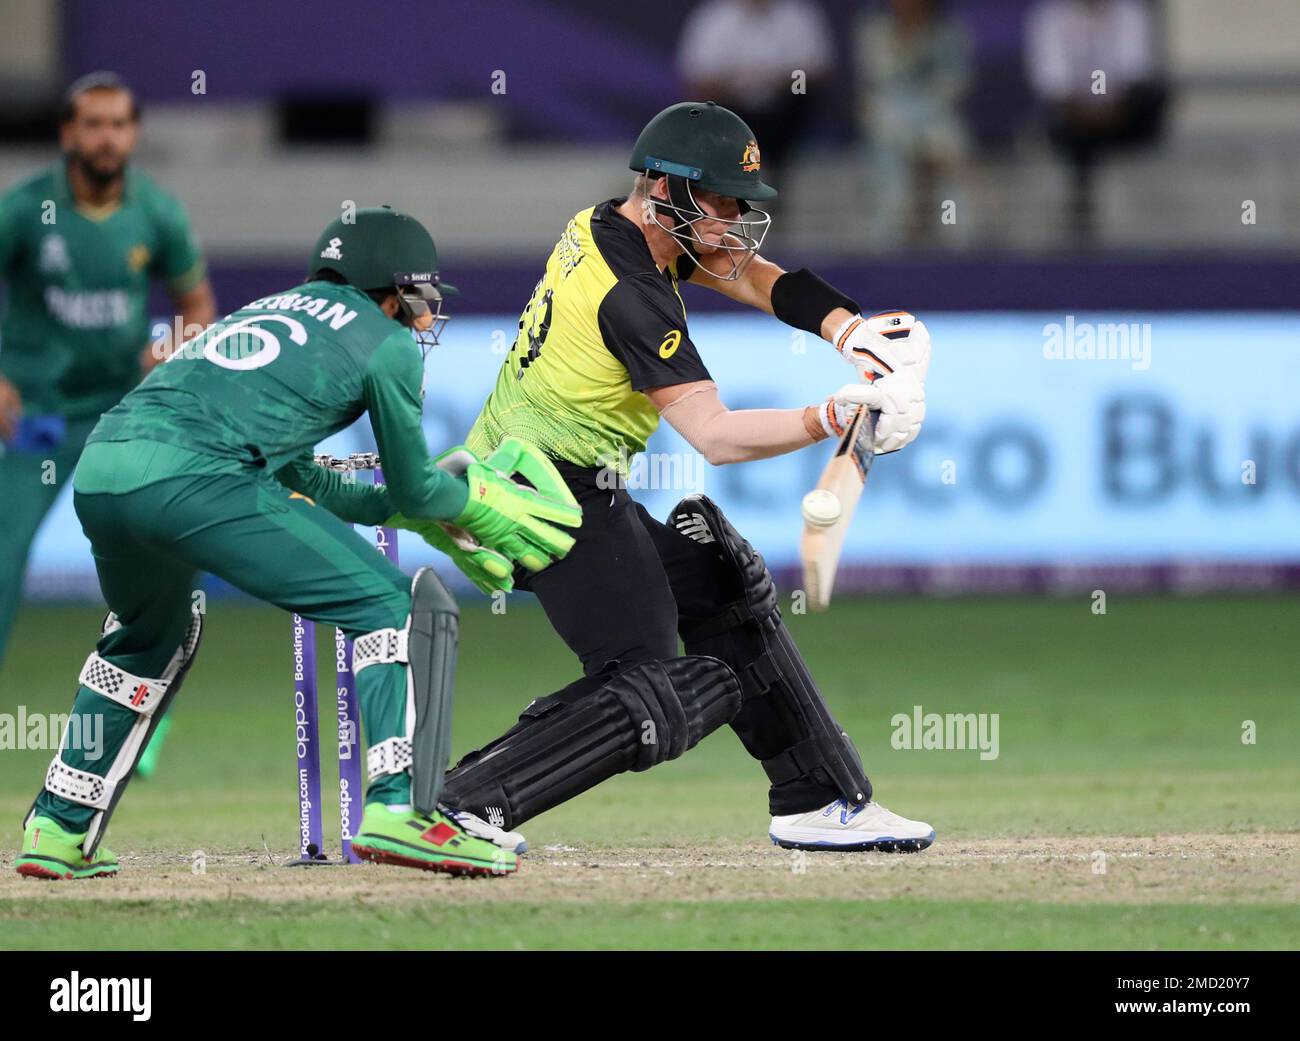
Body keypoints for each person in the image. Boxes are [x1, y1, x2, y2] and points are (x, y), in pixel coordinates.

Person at [14, 206, 580, 880]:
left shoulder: (269, 311)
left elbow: (307, 478)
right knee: (388, 602)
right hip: (196, 476)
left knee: (147, 636)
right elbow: (420, 485)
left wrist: (416, 513)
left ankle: (57, 824)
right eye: (419, 301)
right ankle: (399, 811)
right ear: (387, 289)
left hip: (105, 469)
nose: (424, 321)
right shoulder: (385, 341)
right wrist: (474, 502)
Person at [438, 101, 935, 855]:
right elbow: (716, 436)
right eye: (722, 201)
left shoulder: (615, 223)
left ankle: (819, 799)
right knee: (648, 681)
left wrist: (853, 330)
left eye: (741, 203)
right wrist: (829, 416)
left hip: (543, 475)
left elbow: (752, 277)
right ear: (666, 188)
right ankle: (457, 805)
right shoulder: (632, 294)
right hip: (540, 493)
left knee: (719, 586)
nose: (734, 219)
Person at [0, 72, 216, 675]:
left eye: (118, 125)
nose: (106, 138)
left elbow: (197, 306)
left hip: (121, 411)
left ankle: (151, 699)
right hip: (35, 415)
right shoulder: (24, 211)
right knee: (0, 554)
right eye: (92, 124)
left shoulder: (156, 213)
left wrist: (171, 345)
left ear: (134, 133)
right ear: (69, 132)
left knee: (170, 550)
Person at [1024, 0, 1168, 238]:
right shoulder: (1050, 17)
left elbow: (1134, 69)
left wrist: (1109, 107)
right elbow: (1052, 79)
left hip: (1122, 115)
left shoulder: (1130, 13)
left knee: (1155, 93)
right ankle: (1081, 211)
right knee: (1061, 125)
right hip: (1074, 121)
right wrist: (1086, 110)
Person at [856, 0, 972, 245]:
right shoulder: (875, 32)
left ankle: (957, 238)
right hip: (890, 121)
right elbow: (879, 79)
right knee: (893, 147)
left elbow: (953, 84)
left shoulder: (949, 34)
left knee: (948, 146)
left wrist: (922, 119)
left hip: (935, 117)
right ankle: (890, 237)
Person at [677, 0, 834, 173]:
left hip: (787, 111)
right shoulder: (714, 18)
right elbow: (697, 81)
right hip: (732, 112)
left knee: (803, 90)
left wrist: (776, 80)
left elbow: (819, 74)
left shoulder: (798, 15)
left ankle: (787, 167)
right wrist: (739, 84)